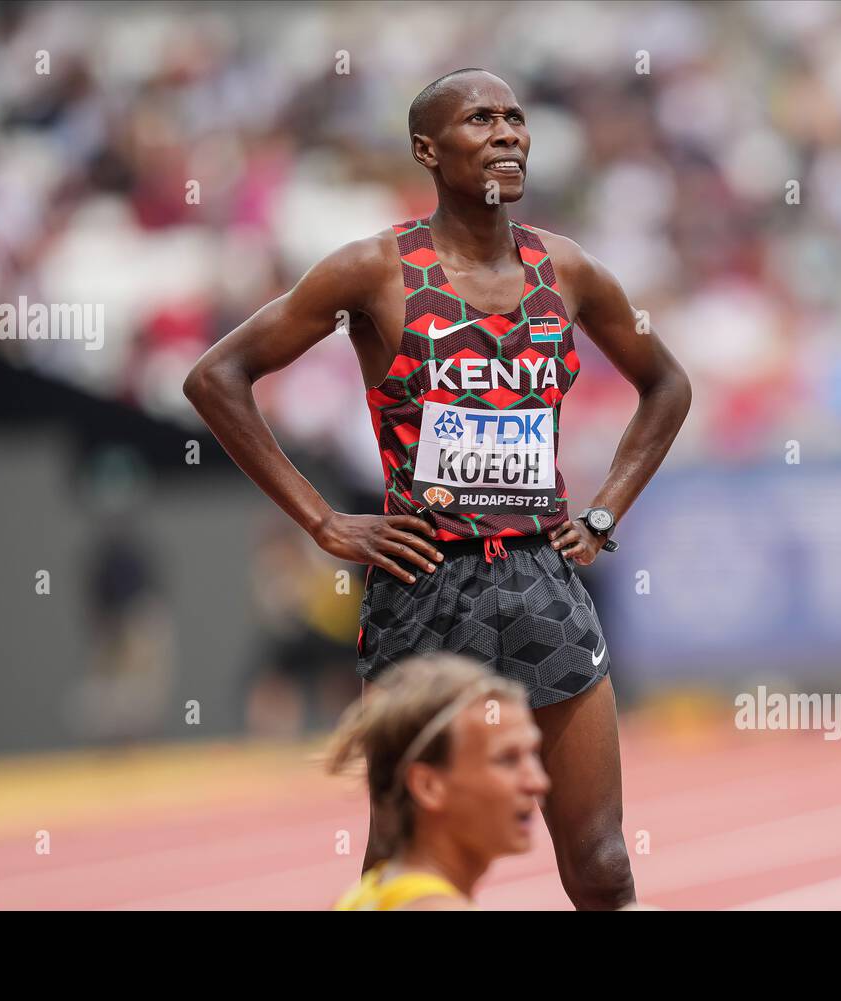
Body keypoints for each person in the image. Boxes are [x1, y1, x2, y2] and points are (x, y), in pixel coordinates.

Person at [184, 67, 691, 909]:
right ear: (428, 149)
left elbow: (667, 386)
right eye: (480, 119)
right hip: (424, 584)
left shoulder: (568, 272)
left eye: (516, 118)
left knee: (603, 864)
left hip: (541, 578)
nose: (506, 134)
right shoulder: (372, 269)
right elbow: (217, 376)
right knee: (399, 858)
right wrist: (322, 521)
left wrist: (603, 514)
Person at [326, 653, 547, 910]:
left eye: (532, 755)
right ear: (427, 786)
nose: (538, 782)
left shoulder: (360, 897)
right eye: (507, 760)